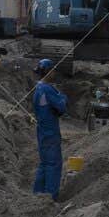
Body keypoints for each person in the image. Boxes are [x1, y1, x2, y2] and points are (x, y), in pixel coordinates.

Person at [31, 58, 69, 200]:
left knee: (44, 164)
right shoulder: (47, 89)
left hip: (42, 132)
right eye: (53, 69)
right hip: (51, 132)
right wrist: (63, 97)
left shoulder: (38, 88)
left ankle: (37, 194)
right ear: (48, 71)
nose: (54, 72)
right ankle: (51, 198)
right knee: (53, 164)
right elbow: (61, 107)